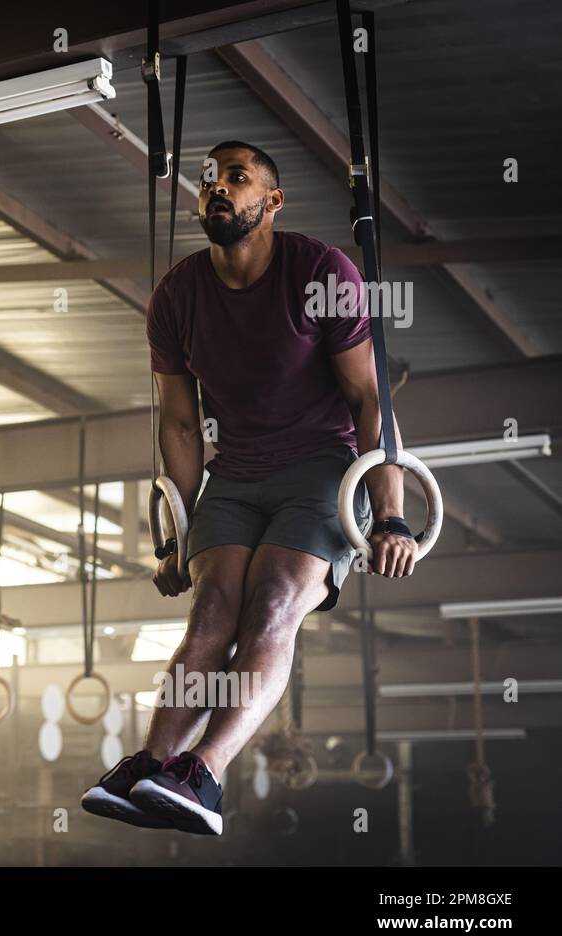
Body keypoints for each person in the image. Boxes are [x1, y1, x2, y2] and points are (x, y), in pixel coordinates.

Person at [81, 141, 417, 836]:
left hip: (321, 468)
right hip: (233, 472)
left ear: (272, 202)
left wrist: (390, 514)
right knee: (210, 615)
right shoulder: (175, 297)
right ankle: (154, 762)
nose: (217, 189)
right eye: (209, 180)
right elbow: (178, 424)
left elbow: (368, 401)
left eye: (237, 178)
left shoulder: (323, 272)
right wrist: (172, 538)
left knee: (270, 604)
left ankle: (204, 772)